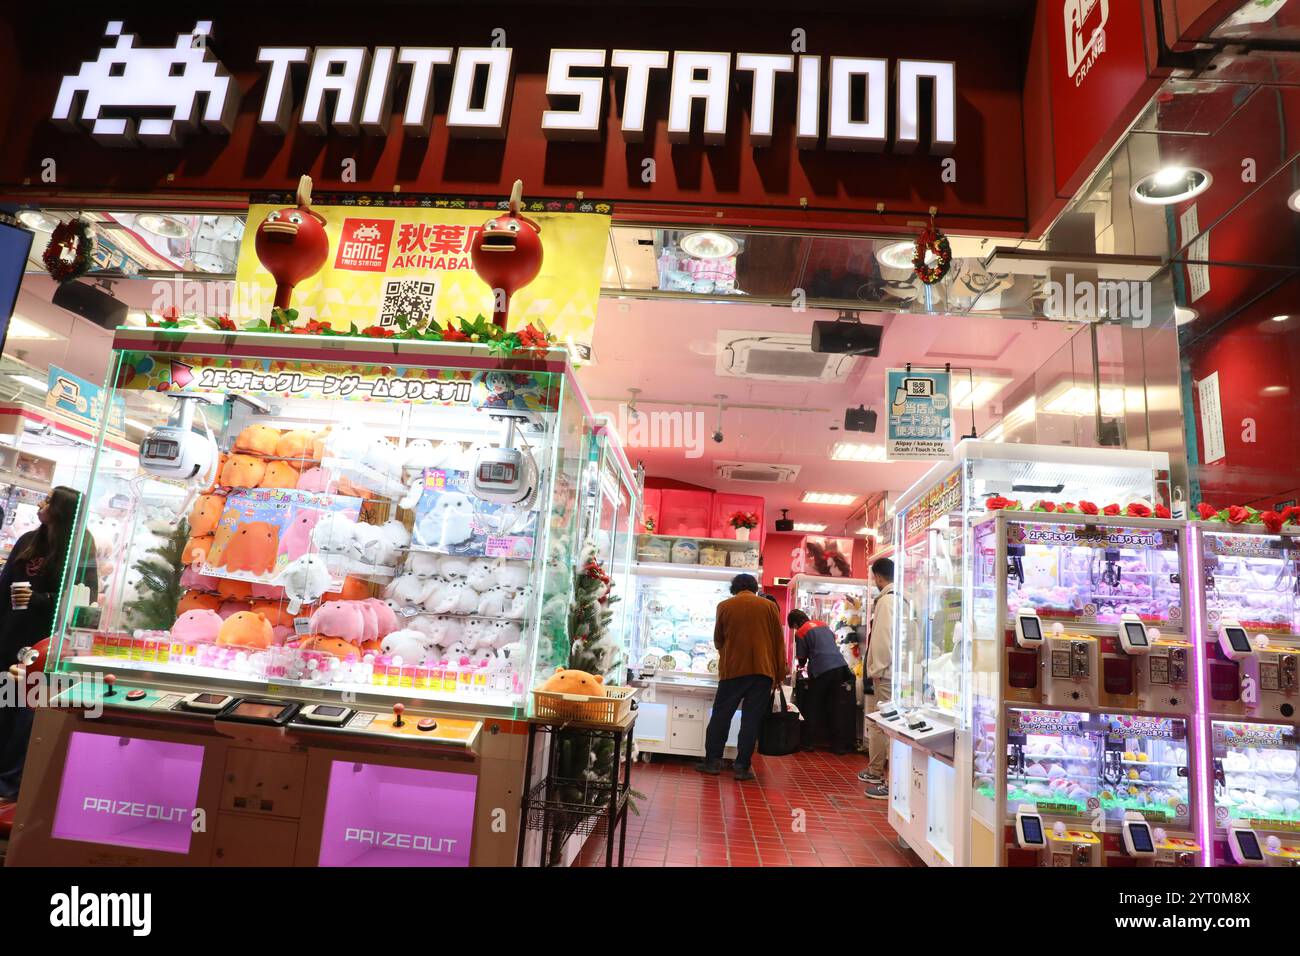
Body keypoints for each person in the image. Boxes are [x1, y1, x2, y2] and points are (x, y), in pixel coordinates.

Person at [0, 487, 97, 803]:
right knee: (5, 710)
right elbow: (5, 586)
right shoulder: (28, 540)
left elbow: (84, 600)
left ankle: (9, 787)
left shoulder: (78, 547)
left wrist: (39, 601)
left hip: (44, 646)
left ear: (62, 510)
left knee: (24, 715)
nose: (41, 504)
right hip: (10, 638)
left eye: (49, 501)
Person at [698, 573, 788, 781]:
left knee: (721, 716)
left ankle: (712, 762)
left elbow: (718, 640)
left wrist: (729, 653)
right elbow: (778, 641)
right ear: (754, 587)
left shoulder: (725, 606)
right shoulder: (768, 607)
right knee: (751, 720)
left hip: (733, 671)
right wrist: (778, 673)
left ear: (734, 588)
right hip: (762, 672)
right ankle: (742, 767)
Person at [788, 609, 854, 754]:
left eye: (793, 627)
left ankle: (808, 743)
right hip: (840, 667)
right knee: (835, 706)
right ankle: (838, 746)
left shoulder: (801, 632)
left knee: (812, 706)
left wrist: (800, 667)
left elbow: (802, 657)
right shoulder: (823, 624)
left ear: (795, 623)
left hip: (822, 670)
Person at [860, 557, 895, 798]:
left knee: (882, 725)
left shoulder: (886, 601)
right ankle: (883, 775)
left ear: (879, 577)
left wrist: (876, 671)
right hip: (895, 673)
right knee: (887, 725)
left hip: (885, 674)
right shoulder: (902, 598)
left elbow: (882, 639)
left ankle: (881, 775)